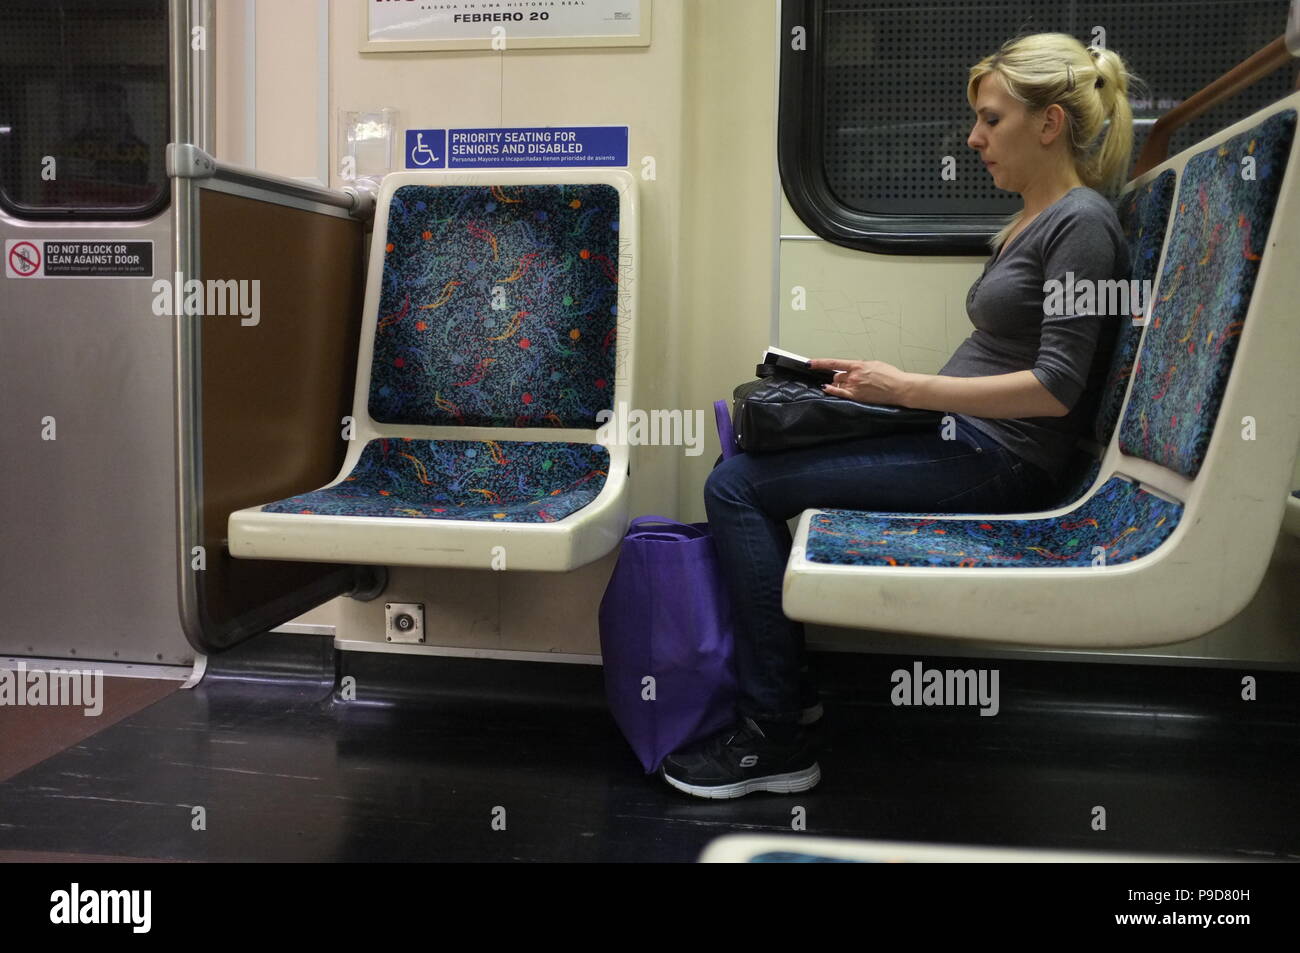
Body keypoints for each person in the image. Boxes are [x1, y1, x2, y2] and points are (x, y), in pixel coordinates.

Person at [659, 33, 1137, 799]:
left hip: (1001, 461)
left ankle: (773, 736)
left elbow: (1054, 390)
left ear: (1049, 124)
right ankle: (787, 693)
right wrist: (874, 389)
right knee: (743, 464)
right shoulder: (1034, 219)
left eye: (990, 119)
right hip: (961, 438)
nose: (974, 138)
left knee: (737, 490)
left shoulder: (1079, 224)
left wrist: (909, 390)